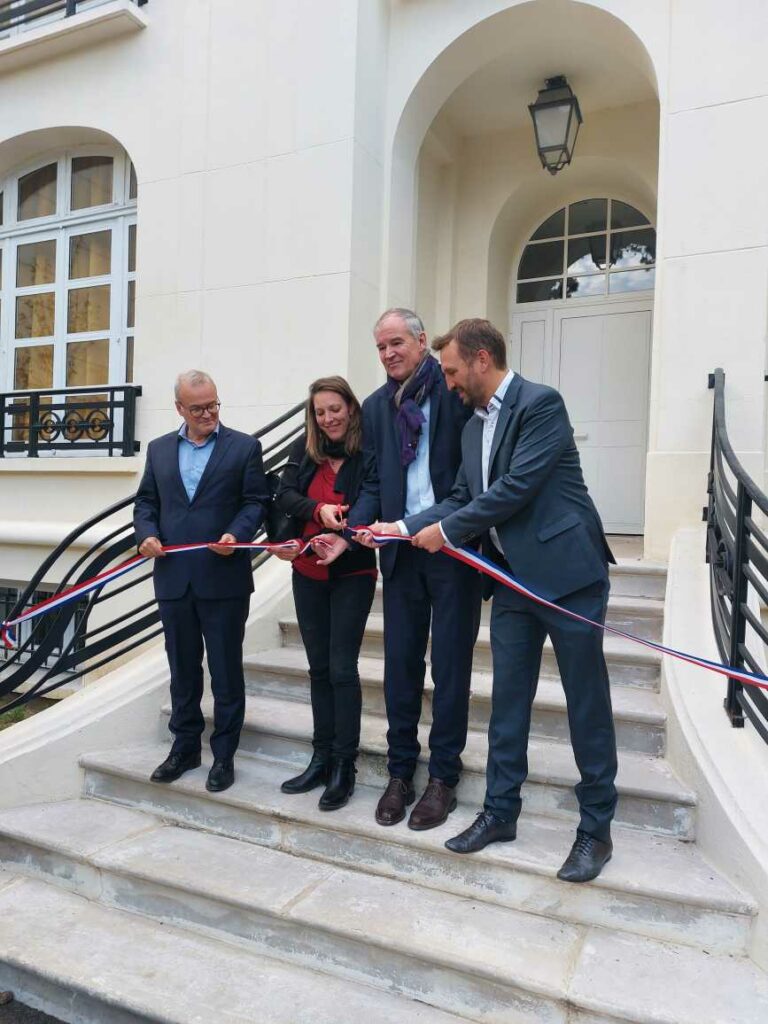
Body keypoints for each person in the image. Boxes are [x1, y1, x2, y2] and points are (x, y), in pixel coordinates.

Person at [402, 318, 618, 883]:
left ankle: (596, 829)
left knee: (586, 704)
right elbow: (459, 495)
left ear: (481, 359)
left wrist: (447, 533)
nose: (448, 383)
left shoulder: (541, 404)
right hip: (512, 582)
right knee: (508, 703)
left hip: (569, 577)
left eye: (452, 371)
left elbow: (515, 488)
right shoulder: (472, 428)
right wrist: (401, 527)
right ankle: (500, 813)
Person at [318, 309, 483, 831]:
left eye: (396, 343)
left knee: (450, 668)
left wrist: (429, 525)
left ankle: (443, 778)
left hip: (452, 549)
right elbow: (371, 483)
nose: (388, 354)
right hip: (399, 553)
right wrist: (350, 534)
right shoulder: (374, 407)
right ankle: (400, 773)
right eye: (381, 347)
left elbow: (473, 479)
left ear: (420, 341)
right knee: (400, 669)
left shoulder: (455, 393)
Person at [133, 370, 269, 794]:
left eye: (213, 405)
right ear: (179, 409)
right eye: (198, 409)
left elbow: (256, 502)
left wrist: (236, 534)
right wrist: (146, 535)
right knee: (182, 669)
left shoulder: (244, 447)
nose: (208, 414)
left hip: (223, 579)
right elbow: (146, 502)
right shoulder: (158, 450)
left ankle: (224, 755)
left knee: (225, 671)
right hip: (174, 579)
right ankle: (185, 747)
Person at [272, 377, 377, 810]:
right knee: (318, 669)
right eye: (320, 412)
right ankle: (320, 757)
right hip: (307, 572)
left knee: (341, 669)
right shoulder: (305, 448)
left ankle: (343, 766)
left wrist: (346, 535)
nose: (328, 418)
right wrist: (317, 510)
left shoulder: (367, 449)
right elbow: (284, 495)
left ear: (350, 407)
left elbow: (373, 498)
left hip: (353, 571)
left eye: (335, 409)